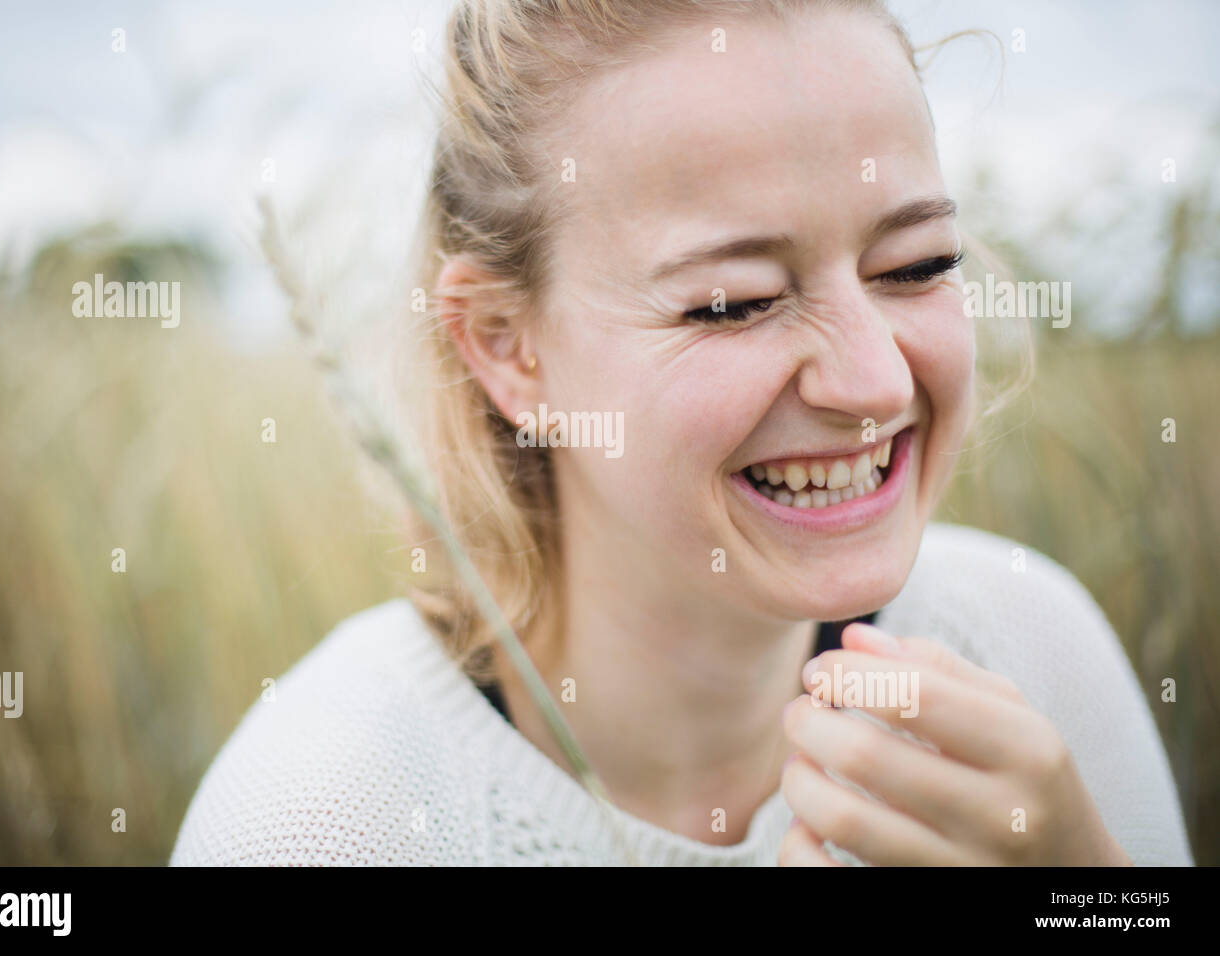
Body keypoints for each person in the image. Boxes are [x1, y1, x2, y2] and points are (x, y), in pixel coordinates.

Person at [170, 0, 1194, 866]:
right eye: (734, 301)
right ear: (506, 346)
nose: (874, 378)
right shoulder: (316, 822)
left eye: (915, 265)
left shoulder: (1035, 652)